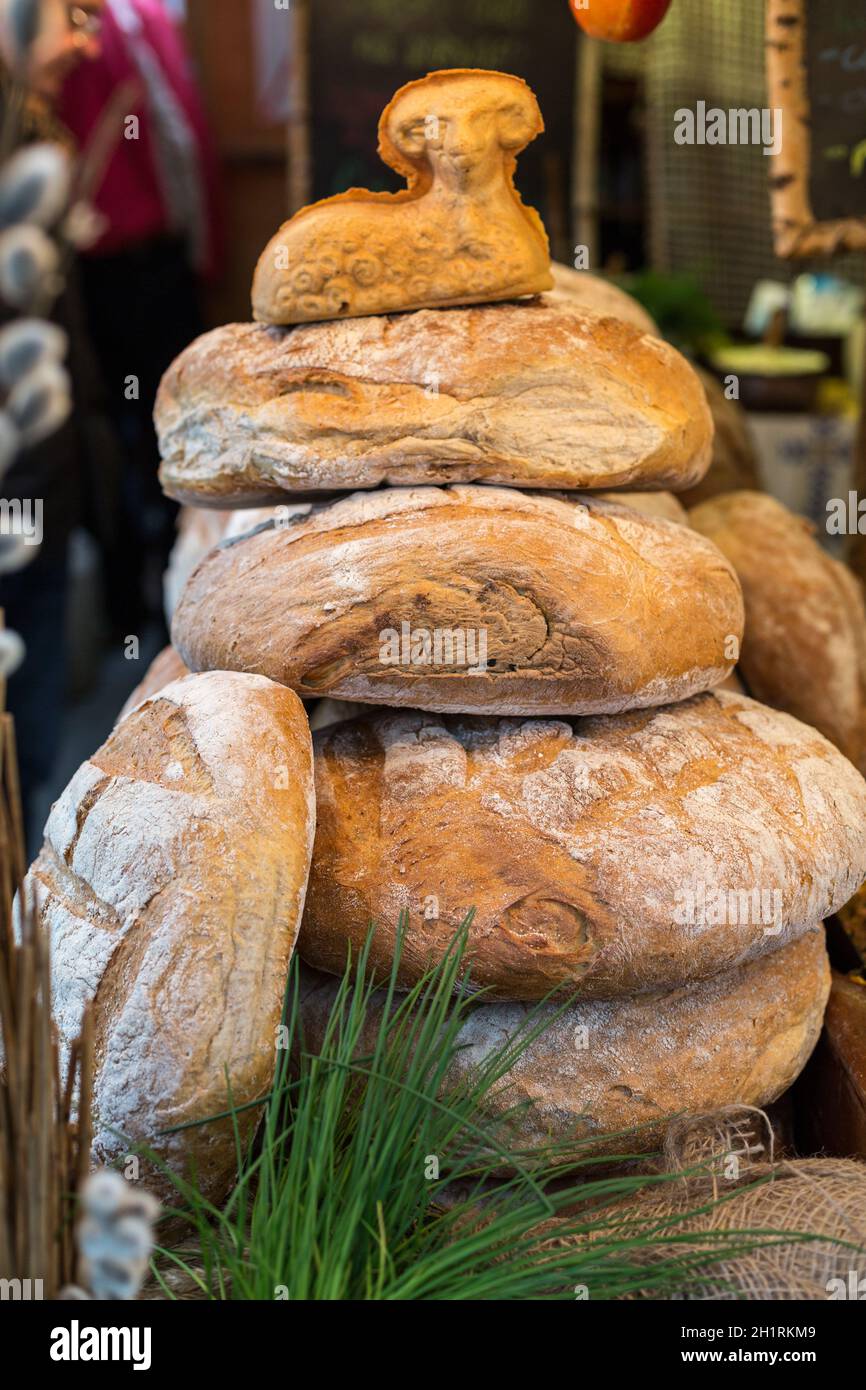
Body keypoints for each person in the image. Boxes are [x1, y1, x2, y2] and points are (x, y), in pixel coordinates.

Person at [57, 0, 223, 632]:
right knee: (113, 430)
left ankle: (175, 594)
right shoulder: (73, 25)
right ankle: (130, 606)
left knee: (171, 424)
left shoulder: (147, 17)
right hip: (98, 266)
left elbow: (187, 141)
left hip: (158, 258)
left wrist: (204, 253)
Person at [0, 0, 114, 848]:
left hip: (41, 466)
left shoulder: (35, 122)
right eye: (69, 15)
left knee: (33, 708)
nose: (85, 41)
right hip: (18, 475)